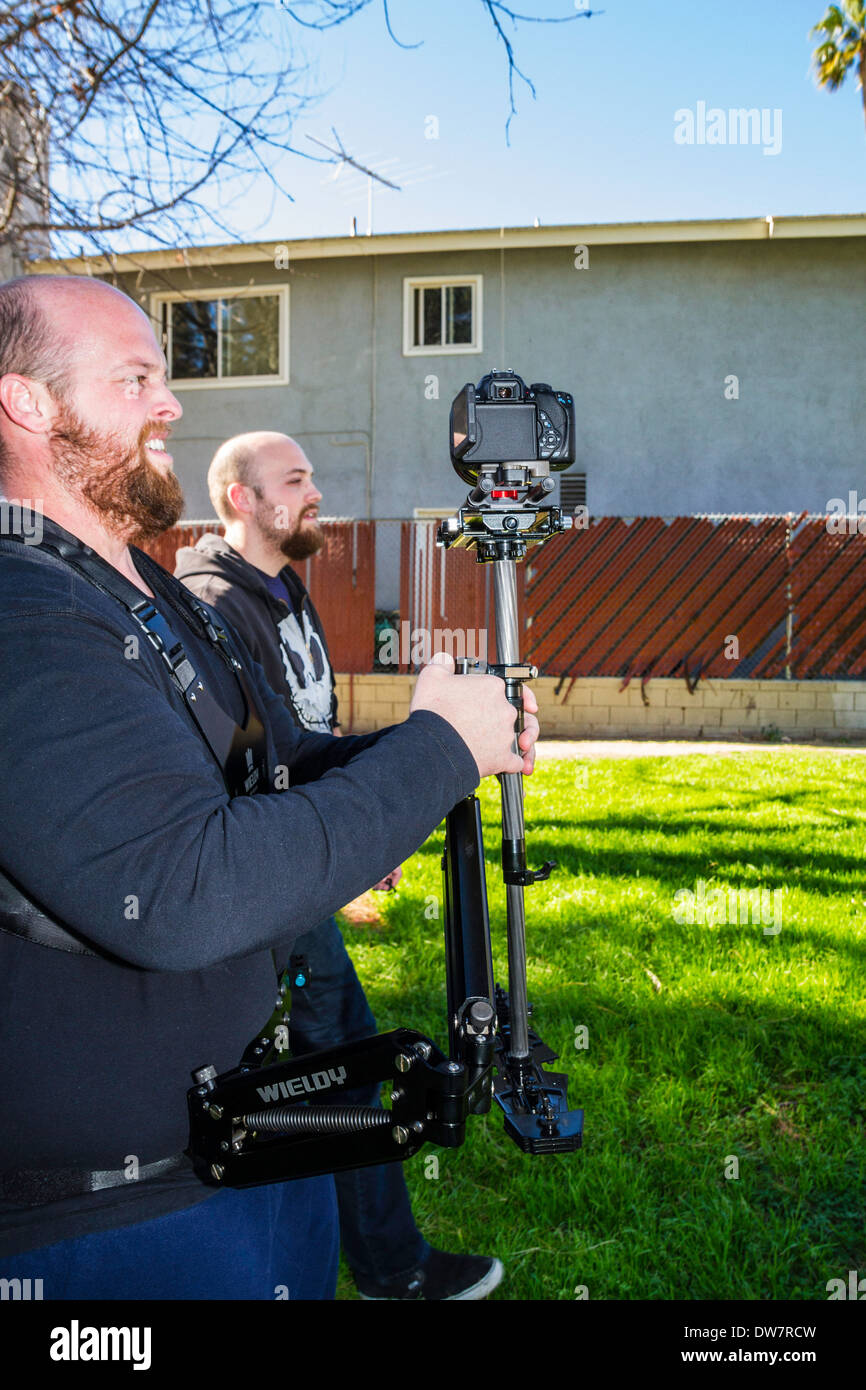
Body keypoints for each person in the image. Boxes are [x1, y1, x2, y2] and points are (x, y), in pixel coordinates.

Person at [0, 274, 539, 1300]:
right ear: (27, 403)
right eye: (136, 379)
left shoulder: (134, 584)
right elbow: (182, 887)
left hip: (246, 1142)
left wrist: (438, 742)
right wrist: (436, 753)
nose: (171, 405)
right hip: (105, 1222)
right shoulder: (22, 608)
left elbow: (266, 769)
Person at [175, 431, 503, 1300]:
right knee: (343, 1069)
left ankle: (361, 1263)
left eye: (312, 476)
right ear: (242, 499)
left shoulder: (284, 589)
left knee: (330, 1069)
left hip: (301, 878)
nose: (316, 492)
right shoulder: (212, 604)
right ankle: (387, 1269)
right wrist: (351, 832)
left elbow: (304, 740)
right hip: (269, 896)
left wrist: (379, 811)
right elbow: (246, 772)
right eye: (296, 479)